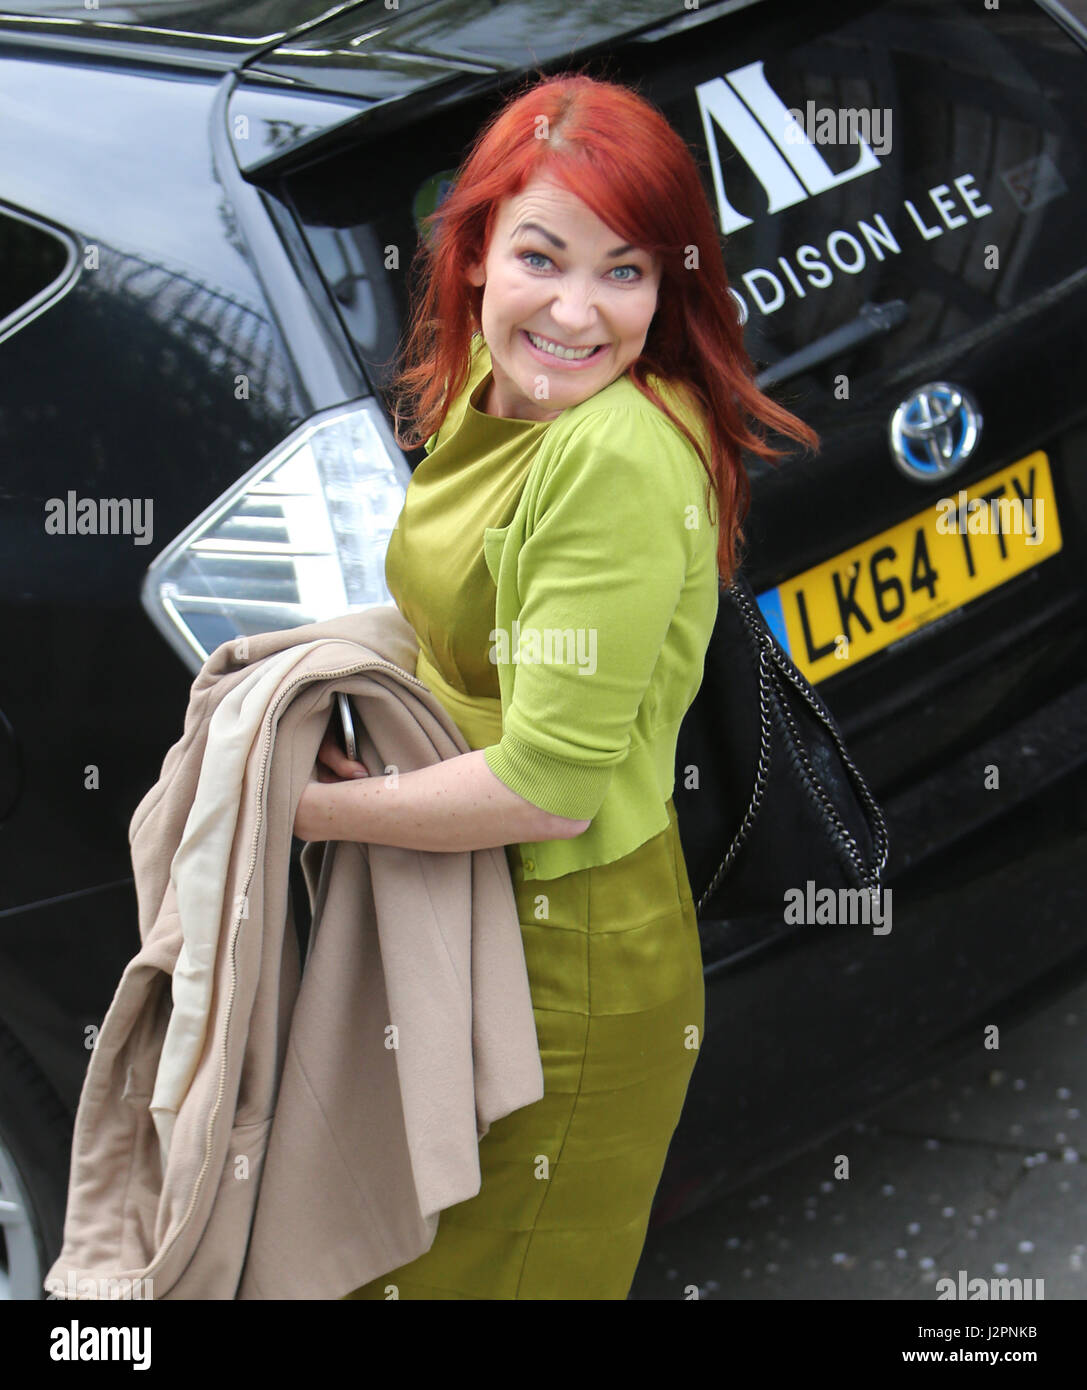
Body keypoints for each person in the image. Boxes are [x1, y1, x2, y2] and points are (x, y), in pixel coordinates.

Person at [293, 69, 818, 1299]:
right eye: (543, 256)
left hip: (563, 956)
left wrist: (306, 810)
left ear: (668, 281)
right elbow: (472, 618)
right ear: (474, 252)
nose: (579, 312)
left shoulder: (611, 456)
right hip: (469, 918)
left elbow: (549, 786)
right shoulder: (502, 396)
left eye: (626, 271)